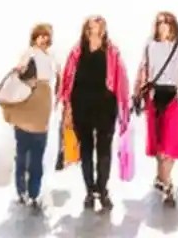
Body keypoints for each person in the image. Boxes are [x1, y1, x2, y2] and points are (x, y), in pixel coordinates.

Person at [58, 16, 131, 212]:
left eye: (98, 25)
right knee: (86, 149)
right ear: (86, 29)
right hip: (81, 104)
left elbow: (121, 81)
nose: (94, 29)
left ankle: (103, 189)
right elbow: (67, 81)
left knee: (104, 149)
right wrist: (67, 108)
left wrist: (125, 107)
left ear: (103, 28)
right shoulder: (76, 51)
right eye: (91, 26)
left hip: (105, 106)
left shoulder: (112, 51)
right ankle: (90, 190)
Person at [135, 11, 178, 206]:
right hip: (155, 95)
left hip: (174, 96)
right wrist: (138, 94)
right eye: (159, 23)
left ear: (173, 26)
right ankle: (162, 178)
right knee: (159, 144)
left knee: (170, 145)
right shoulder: (150, 47)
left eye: (166, 23)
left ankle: (167, 185)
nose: (163, 27)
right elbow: (143, 70)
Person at [2, 24, 58, 210]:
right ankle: (21, 191)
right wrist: (22, 69)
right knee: (22, 151)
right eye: (39, 35)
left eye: (46, 36)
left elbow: (58, 78)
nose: (43, 39)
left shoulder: (51, 58)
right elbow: (19, 70)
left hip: (42, 103)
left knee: (37, 153)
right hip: (27, 100)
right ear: (34, 37)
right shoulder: (29, 53)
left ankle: (33, 192)